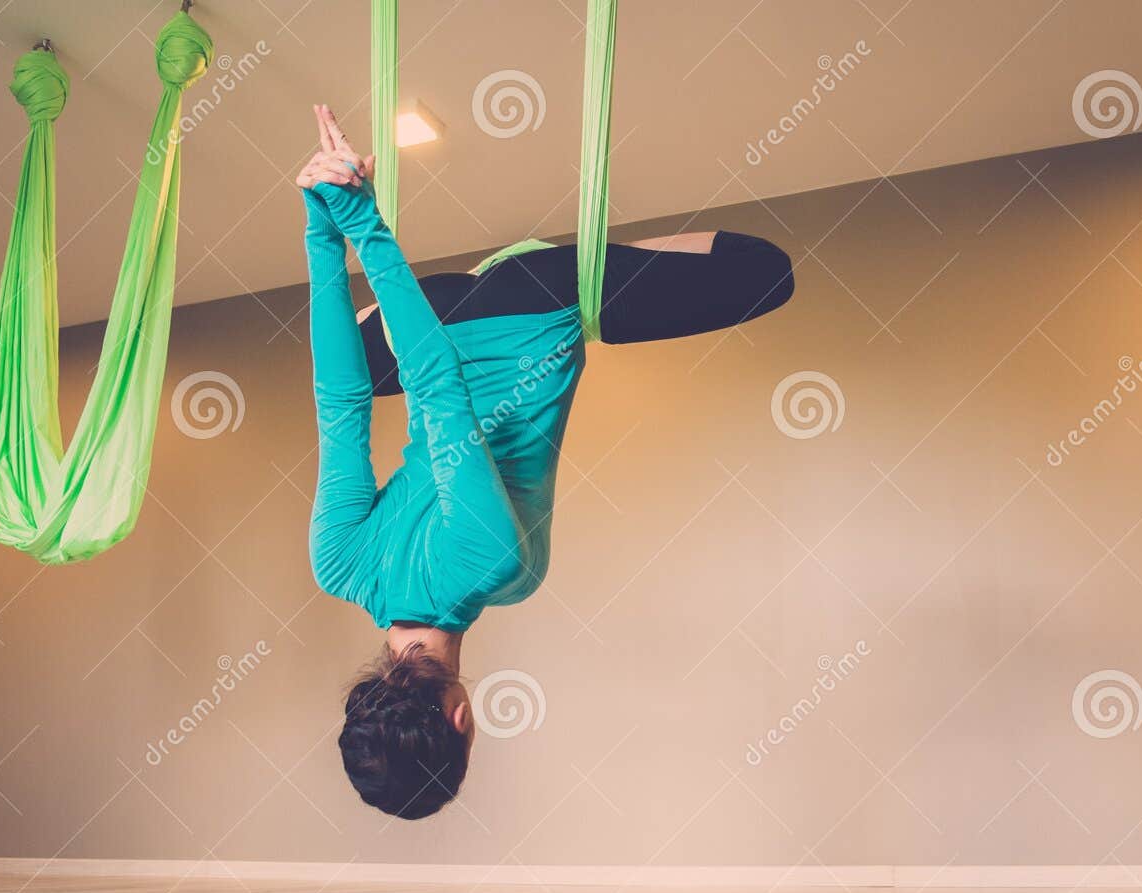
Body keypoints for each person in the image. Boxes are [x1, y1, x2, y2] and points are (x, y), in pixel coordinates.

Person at [299, 105, 794, 819]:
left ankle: (585, 275)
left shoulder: (499, 572)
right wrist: (326, 226)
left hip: (531, 297)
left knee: (762, 275)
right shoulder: (338, 565)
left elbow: (444, 391)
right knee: (371, 371)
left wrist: (368, 223)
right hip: (429, 314)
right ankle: (449, 286)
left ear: (462, 720)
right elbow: (340, 401)